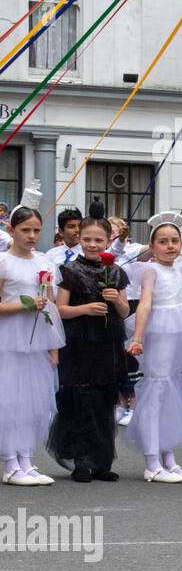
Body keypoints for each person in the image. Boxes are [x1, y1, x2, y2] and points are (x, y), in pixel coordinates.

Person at [49, 205, 130, 482]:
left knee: (104, 401)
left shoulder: (116, 271)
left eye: (98, 240)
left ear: (108, 241)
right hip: (79, 343)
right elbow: (59, 309)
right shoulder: (69, 270)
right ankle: (81, 461)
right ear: (78, 239)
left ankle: (102, 461)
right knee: (81, 400)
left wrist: (115, 298)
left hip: (107, 344)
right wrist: (85, 309)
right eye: (87, 239)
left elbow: (124, 312)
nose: (93, 244)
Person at [121, 213, 182, 483]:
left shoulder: (179, 268)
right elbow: (144, 304)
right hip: (158, 332)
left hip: (176, 331)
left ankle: (169, 458)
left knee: (172, 391)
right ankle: (152, 461)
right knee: (156, 390)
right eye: (163, 241)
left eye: (175, 241)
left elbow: (181, 299)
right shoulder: (150, 270)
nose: (170, 246)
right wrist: (138, 338)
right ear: (152, 246)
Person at [0, 206, 63, 485]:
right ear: (11, 230)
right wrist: (23, 306)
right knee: (10, 400)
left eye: (36, 230)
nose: (32, 235)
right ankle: (10, 462)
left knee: (31, 401)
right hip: (9, 336)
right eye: (25, 230)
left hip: (36, 338)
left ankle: (26, 457)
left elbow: (50, 307)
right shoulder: (3, 262)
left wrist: (54, 346)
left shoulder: (45, 263)